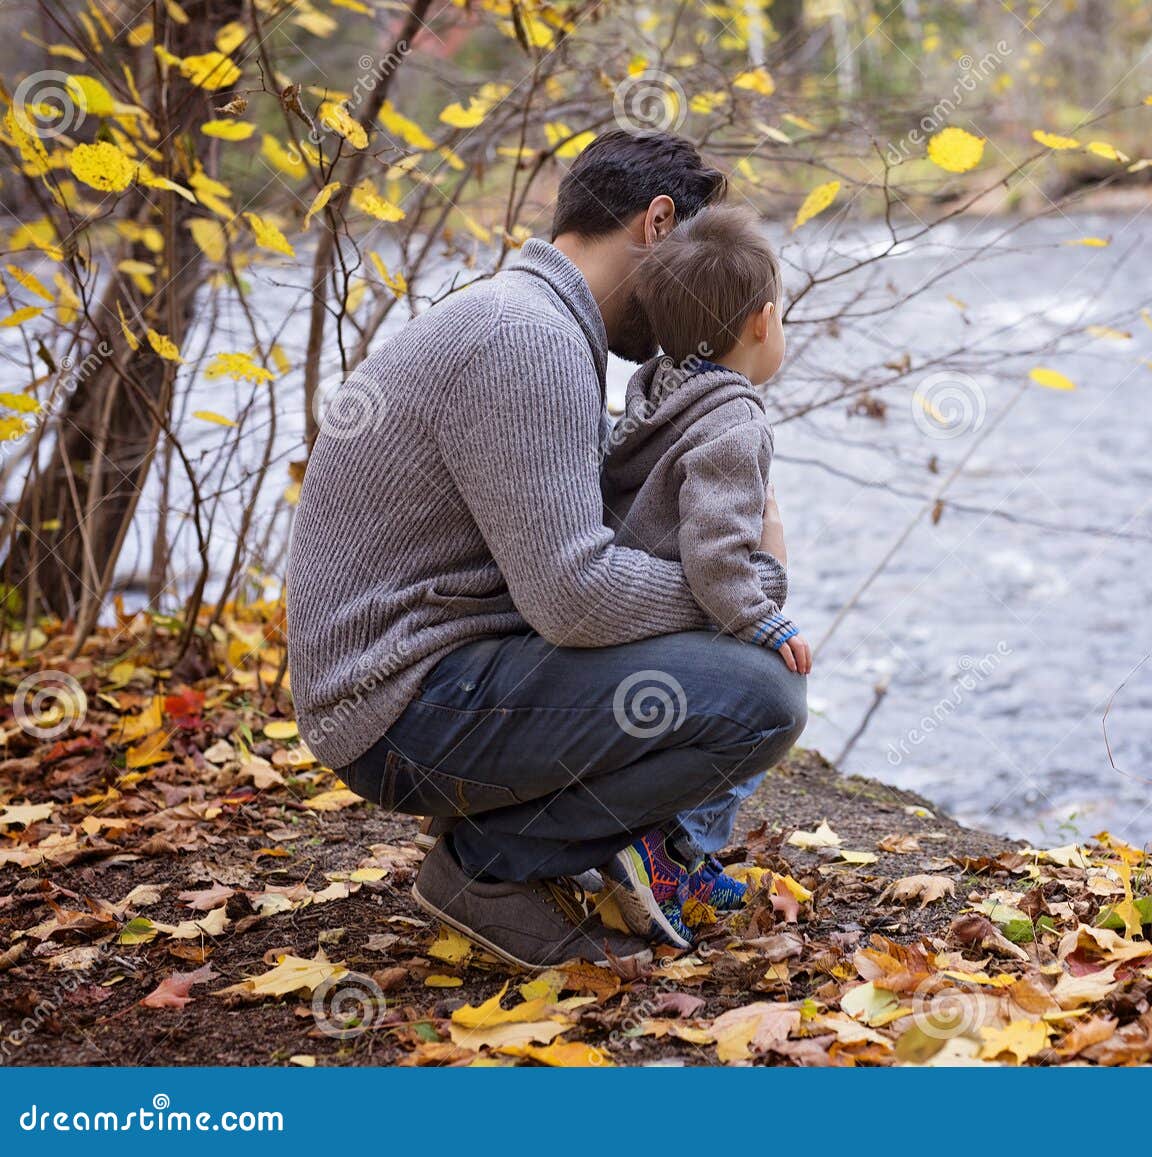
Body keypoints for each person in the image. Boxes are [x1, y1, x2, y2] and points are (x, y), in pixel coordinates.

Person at [285, 130, 807, 969]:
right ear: (658, 223)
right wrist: (743, 592)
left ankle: (546, 836)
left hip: (431, 675)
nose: (692, 306)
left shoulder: (535, 324)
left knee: (734, 659)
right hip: (399, 700)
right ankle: (493, 864)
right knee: (761, 694)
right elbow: (576, 594)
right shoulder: (524, 339)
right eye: (691, 264)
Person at [598, 204, 812, 947]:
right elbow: (716, 554)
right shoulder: (734, 422)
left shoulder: (657, 390)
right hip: (666, 629)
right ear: (762, 322)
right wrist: (761, 617)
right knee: (769, 688)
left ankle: (670, 846)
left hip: (625, 618)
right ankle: (673, 846)